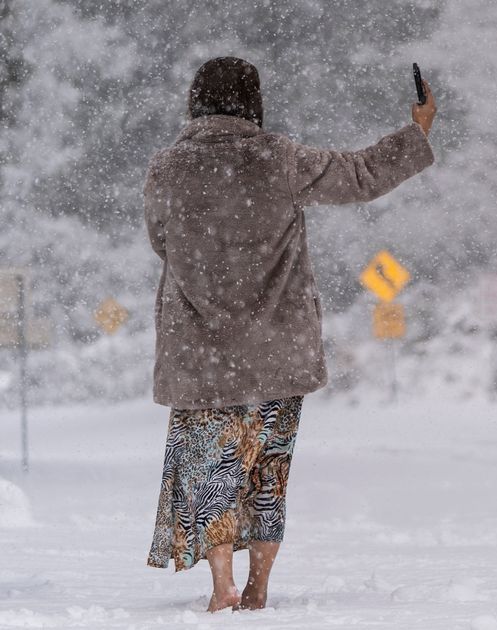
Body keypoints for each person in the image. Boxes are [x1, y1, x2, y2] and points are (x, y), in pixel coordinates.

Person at [143, 56, 437, 612]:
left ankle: (222, 582)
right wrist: (418, 129)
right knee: (268, 466)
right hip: (276, 350)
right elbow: (362, 174)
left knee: (211, 465)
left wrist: (208, 266)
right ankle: (258, 585)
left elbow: (160, 240)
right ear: (252, 100)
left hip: (201, 354)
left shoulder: (167, 167)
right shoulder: (279, 159)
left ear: (195, 100)